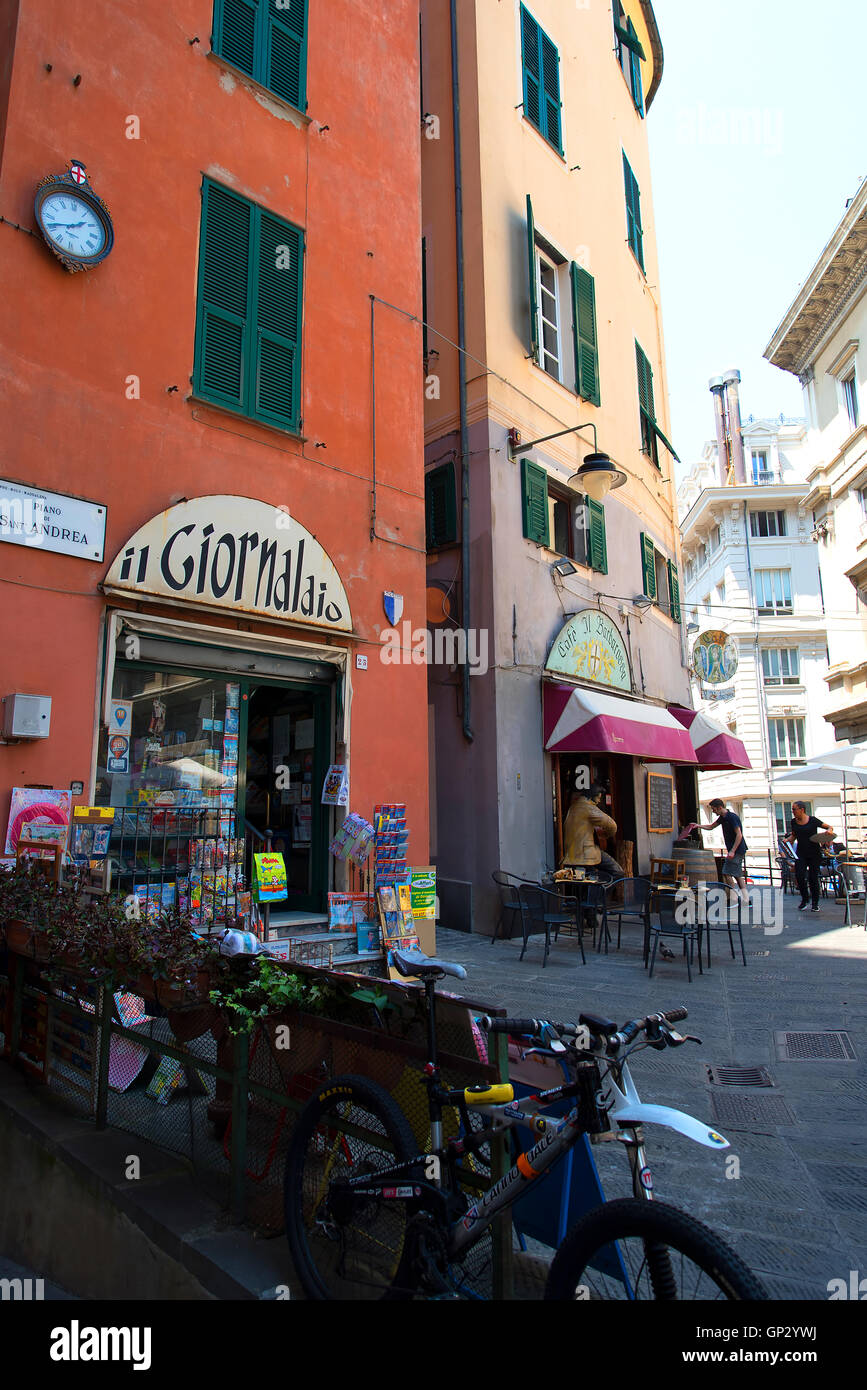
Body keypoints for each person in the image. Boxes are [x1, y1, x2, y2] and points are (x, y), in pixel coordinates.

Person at [562, 783, 623, 880]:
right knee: (617, 871)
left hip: (571, 853)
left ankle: (594, 888)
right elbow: (612, 825)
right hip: (586, 852)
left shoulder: (573, 807)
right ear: (591, 796)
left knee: (586, 880)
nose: (599, 801)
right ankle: (599, 893)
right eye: (598, 798)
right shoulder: (588, 807)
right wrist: (605, 835)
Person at [696, 798, 749, 905]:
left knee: (726, 872)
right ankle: (746, 900)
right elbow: (711, 827)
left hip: (737, 850)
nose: (713, 811)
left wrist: (732, 851)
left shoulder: (731, 817)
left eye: (714, 809)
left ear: (720, 807)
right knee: (737, 875)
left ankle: (733, 899)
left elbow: (739, 834)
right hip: (738, 850)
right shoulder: (723, 817)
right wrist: (698, 826)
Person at [784, 802, 835, 912]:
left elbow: (829, 827)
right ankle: (805, 899)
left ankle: (815, 903)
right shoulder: (794, 822)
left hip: (814, 853)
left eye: (794, 809)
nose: (792, 812)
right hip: (801, 853)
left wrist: (829, 831)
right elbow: (794, 835)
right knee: (800, 875)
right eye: (792, 809)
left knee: (813, 878)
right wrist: (788, 841)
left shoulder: (813, 820)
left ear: (802, 810)